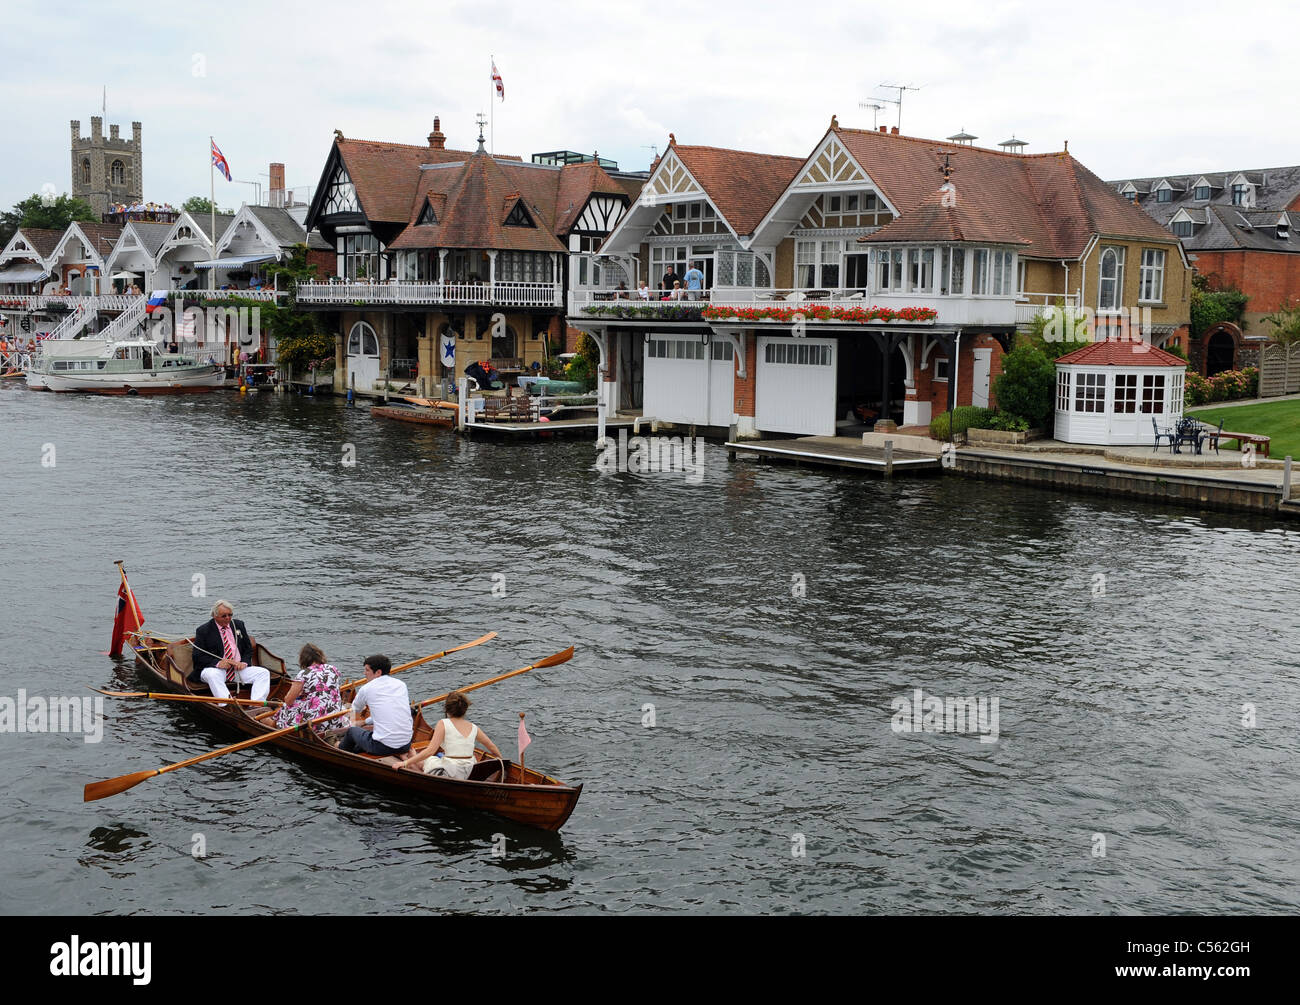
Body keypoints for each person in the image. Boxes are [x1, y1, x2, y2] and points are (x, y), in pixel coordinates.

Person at [395, 691, 501, 780]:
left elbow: (430, 751)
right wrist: (501, 761)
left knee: (428, 760)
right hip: (470, 769)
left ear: (447, 709)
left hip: (452, 771)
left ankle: (409, 758)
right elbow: (492, 747)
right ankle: (413, 757)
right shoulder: (474, 727)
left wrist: (405, 763)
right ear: (465, 709)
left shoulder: (443, 723)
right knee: (435, 760)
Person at [189, 600, 271, 704]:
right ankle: (226, 704)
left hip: (237, 669)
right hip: (216, 669)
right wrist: (218, 663)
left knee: (263, 673)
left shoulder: (238, 625)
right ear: (214, 615)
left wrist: (244, 663)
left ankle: (256, 704)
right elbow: (198, 656)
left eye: (230, 615)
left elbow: (248, 649)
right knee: (212, 675)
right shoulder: (204, 630)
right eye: (224, 616)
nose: (228, 618)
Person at [339, 654, 412, 756]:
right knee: (364, 737)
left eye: (367, 670)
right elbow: (388, 711)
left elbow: (354, 711)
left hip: (383, 747)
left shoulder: (367, 688)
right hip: (406, 744)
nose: (364, 673)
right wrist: (365, 722)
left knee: (352, 731)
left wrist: (350, 724)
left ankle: (340, 750)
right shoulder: (401, 685)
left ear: (378, 672)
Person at [274, 643, 349, 733]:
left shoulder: (304, 673)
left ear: (303, 659)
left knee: (287, 706)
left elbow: (289, 700)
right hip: (336, 719)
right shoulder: (333, 669)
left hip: (315, 723)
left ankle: (278, 723)